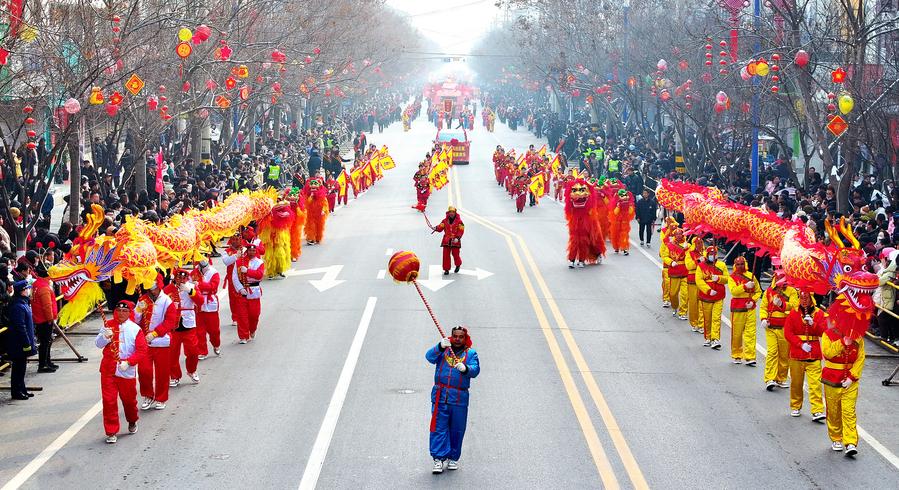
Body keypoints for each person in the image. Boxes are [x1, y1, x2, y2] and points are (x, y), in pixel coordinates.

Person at [425, 326, 480, 474]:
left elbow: (475, 370)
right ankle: (438, 459)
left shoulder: (471, 353)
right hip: (440, 397)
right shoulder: (444, 350)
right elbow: (429, 357)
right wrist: (439, 346)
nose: (457, 339)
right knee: (438, 428)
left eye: (461, 337)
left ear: (465, 338)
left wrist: (466, 368)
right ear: (451, 336)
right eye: (455, 336)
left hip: (459, 399)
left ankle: (453, 458)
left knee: (457, 429)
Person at [96, 300, 148, 443]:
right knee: (109, 401)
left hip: (126, 370)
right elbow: (98, 344)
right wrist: (104, 337)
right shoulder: (107, 325)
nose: (121, 313)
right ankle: (111, 431)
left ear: (130, 313)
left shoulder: (135, 329)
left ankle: (132, 420)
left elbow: (142, 350)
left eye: (124, 311)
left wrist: (129, 362)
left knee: (129, 401)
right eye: (118, 310)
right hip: (108, 369)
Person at [821, 320, 865, 456]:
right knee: (833, 411)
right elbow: (827, 353)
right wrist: (842, 342)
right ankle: (836, 438)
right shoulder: (828, 334)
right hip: (832, 379)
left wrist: (852, 377)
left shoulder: (858, 337)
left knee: (849, 411)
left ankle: (850, 442)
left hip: (850, 381)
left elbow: (860, 358)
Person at [135, 277, 177, 410]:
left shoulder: (167, 301)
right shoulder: (142, 300)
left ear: (159, 287)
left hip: (161, 341)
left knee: (162, 372)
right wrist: (138, 311)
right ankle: (148, 395)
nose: (151, 291)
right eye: (149, 288)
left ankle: (161, 398)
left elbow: (170, 321)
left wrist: (154, 334)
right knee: (143, 371)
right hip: (144, 343)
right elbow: (135, 320)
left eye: (153, 288)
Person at [783, 291, 826, 421]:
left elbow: (824, 332)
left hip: (813, 353)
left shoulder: (819, 314)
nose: (804, 300)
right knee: (796, 383)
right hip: (797, 353)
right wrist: (800, 344)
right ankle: (795, 406)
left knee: (815, 384)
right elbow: (788, 333)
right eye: (801, 298)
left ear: (811, 299)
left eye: (806, 298)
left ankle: (817, 410)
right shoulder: (793, 313)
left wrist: (813, 324)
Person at [760, 272, 799, 391]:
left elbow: (795, 306)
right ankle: (770, 378)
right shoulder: (769, 292)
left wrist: (782, 304)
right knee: (772, 352)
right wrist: (763, 318)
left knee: (784, 354)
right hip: (771, 328)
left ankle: (781, 378)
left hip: (785, 328)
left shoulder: (792, 291)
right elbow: (763, 307)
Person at [165, 269, 202, 387]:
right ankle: (174, 375)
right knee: (172, 353)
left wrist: (190, 291)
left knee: (193, 351)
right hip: (173, 326)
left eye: (184, 278)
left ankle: (192, 370)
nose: (181, 280)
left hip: (188, 324)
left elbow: (200, 301)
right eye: (179, 278)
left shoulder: (191, 287)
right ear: (175, 278)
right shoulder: (167, 290)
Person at [5, 280, 37, 400]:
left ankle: (22, 389)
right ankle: (17, 392)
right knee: (18, 368)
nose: (28, 291)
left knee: (22, 368)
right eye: (26, 289)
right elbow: (20, 327)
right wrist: (26, 343)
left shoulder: (23, 303)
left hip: (22, 342)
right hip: (19, 343)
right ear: (22, 291)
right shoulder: (18, 306)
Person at [727, 256, 761, 365]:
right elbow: (734, 291)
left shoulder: (751, 276)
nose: (740, 266)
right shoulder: (732, 277)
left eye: (742, 264)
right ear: (734, 265)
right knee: (737, 334)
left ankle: (750, 357)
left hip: (750, 308)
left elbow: (758, 292)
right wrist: (745, 286)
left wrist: (753, 301)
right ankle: (737, 354)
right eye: (738, 264)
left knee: (751, 333)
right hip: (737, 308)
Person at [228, 243, 265, 343]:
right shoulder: (239, 262)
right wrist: (240, 288)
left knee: (254, 315)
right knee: (242, 315)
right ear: (247, 251)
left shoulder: (259, 262)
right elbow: (234, 277)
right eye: (250, 251)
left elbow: (259, 275)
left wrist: (247, 271)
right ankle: (243, 336)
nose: (252, 252)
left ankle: (252, 330)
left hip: (254, 292)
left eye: (253, 251)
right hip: (242, 291)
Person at [695, 246, 729, 350]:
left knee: (716, 318)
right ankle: (708, 337)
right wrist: (708, 290)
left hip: (719, 296)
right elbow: (699, 280)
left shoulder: (722, 265)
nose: (712, 256)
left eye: (714, 254)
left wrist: (719, 278)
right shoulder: (701, 266)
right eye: (710, 254)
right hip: (706, 297)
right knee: (708, 318)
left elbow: (727, 279)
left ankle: (715, 339)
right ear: (707, 255)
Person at [31, 264, 59, 373]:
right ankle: (43, 364)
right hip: (44, 319)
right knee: (45, 343)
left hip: (39, 318)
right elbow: (47, 306)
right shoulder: (44, 287)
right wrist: (50, 319)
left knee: (46, 342)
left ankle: (47, 362)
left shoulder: (36, 284)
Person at [194, 260, 222, 359]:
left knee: (214, 330)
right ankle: (202, 351)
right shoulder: (194, 272)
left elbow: (213, 287)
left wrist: (199, 284)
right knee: (199, 330)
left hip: (210, 303)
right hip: (198, 302)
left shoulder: (214, 273)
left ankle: (216, 344)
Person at [662, 228, 688, 320]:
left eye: (680, 234)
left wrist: (687, 249)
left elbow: (692, 256)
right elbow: (665, 256)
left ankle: (683, 312)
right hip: (674, 272)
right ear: (674, 235)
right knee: (673, 294)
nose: (679, 236)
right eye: (677, 234)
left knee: (685, 294)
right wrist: (671, 262)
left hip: (685, 272)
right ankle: (674, 306)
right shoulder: (670, 245)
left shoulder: (687, 245)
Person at [434, 206, 464, 276]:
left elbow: (461, 230)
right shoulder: (444, 221)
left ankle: (458, 264)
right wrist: (436, 228)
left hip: (455, 241)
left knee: (456, 255)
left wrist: (458, 238)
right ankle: (446, 269)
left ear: (455, 213)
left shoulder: (459, 222)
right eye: (450, 212)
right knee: (446, 255)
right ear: (448, 212)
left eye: (453, 212)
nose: (451, 213)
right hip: (446, 241)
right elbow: (440, 227)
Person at [684, 237, 705, 334]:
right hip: (693, 281)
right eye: (698, 243)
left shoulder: (706, 253)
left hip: (704, 281)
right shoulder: (690, 253)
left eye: (701, 243)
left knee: (702, 303)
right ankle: (694, 322)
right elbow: (688, 266)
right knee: (693, 303)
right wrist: (698, 261)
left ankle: (701, 324)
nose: (700, 245)